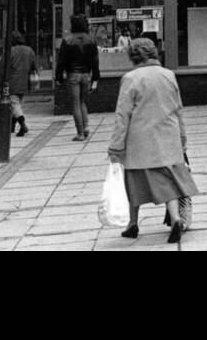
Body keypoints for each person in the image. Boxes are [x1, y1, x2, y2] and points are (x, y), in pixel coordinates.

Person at [108, 38, 197, 244]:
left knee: (134, 182)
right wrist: (182, 137)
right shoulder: (168, 75)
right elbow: (178, 108)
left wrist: (116, 145)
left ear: (133, 56)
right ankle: (175, 218)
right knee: (168, 181)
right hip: (168, 135)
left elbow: (123, 115)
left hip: (140, 140)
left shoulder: (130, 78)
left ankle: (132, 224)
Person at [57, 14, 100, 141]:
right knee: (82, 102)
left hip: (73, 75)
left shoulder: (67, 40)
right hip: (86, 74)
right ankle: (86, 126)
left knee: (75, 103)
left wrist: (59, 77)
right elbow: (95, 61)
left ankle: (80, 132)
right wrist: (95, 77)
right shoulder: (91, 40)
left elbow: (61, 61)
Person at [5, 31, 38, 137]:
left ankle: (23, 125)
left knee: (14, 104)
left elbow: (3, 69)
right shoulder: (29, 50)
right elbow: (34, 66)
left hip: (12, 82)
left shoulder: (10, 51)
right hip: (25, 82)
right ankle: (12, 126)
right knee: (17, 104)